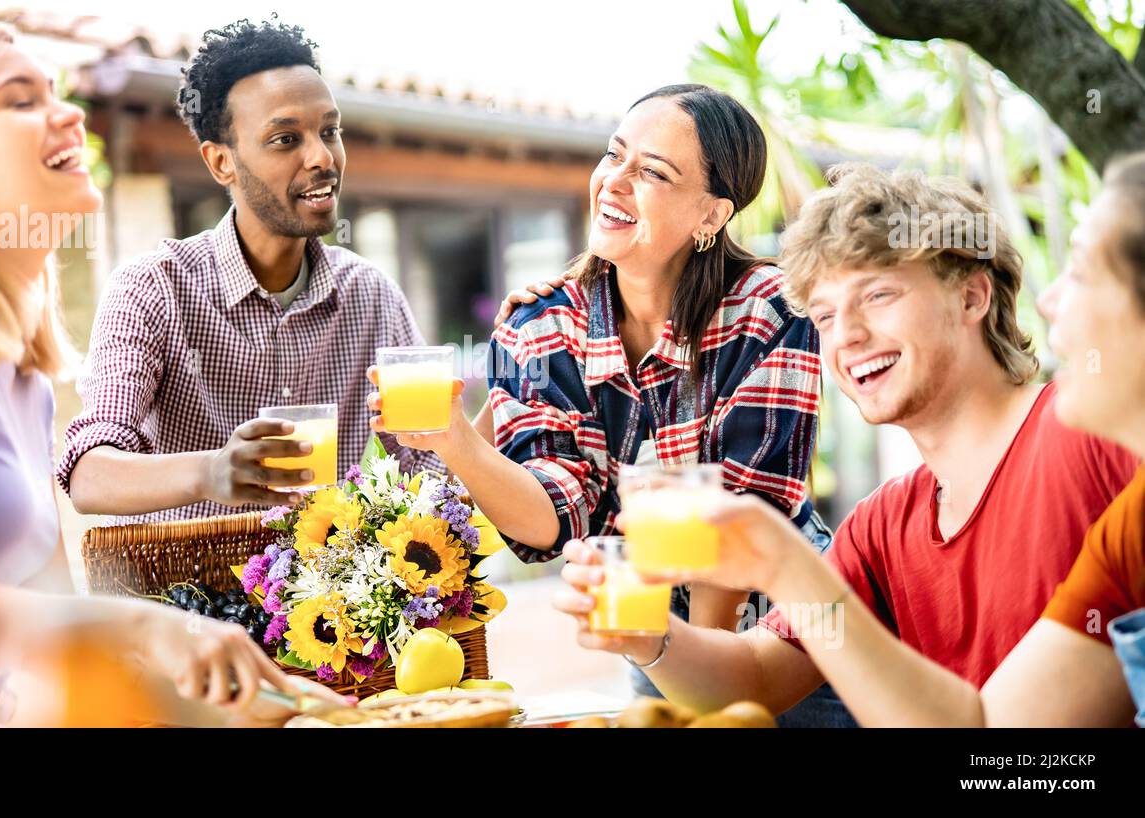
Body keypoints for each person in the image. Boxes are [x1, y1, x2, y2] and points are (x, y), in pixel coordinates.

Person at [0, 20, 342, 727]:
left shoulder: (22, 370)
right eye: (20, 100)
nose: (70, 113)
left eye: (54, 92)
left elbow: (52, 633)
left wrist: (265, 706)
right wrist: (148, 627)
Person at [551, 163, 1138, 719]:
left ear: (971, 297)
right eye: (826, 317)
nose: (849, 337)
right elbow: (756, 677)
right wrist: (652, 637)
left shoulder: (1093, 435)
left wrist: (782, 560)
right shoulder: (883, 526)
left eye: (878, 296)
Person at [370, 84, 850, 725]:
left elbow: (745, 515)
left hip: (788, 618)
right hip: (656, 627)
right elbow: (552, 517)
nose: (615, 182)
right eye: (613, 155)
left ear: (712, 215)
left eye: (653, 172)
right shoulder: (539, 325)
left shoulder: (769, 309)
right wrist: (455, 439)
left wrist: (715, 695)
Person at [59, 16, 440, 524]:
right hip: (179, 597)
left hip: (335, 600)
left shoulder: (372, 295)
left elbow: (433, 469)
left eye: (330, 131)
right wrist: (213, 472)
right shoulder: (154, 289)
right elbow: (89, 476)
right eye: (285, 139)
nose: (322, 157)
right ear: (221, 163)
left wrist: (512, 357)